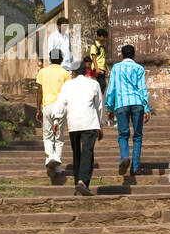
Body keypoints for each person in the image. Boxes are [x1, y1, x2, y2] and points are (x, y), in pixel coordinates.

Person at [55, 60, 104, 196]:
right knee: (87, 152)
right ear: (86, 71)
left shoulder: (68, 85)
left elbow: (61, 104)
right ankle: (82, 182)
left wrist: (56, 121)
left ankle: (78, 183)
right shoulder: (94, 84)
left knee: (76, 154)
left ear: (73, 72)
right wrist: (101, 125)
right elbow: (99, 106)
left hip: (74, 124)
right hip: (90, 123)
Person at [105, 43, 152, 179]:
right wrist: (147, 108)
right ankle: (135, 167)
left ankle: (124, 157)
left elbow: (112, 88)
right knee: (137, 136)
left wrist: (109, 107)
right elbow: (143, 89)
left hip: (121, 103)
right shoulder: (139, 68)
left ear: (122, 55)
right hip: (137, 103)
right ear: (134, 55)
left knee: (123, 135)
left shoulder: (116, 68)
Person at [34, 48, 71, 180]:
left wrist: (38, 109)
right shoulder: (65, 73)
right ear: (61, 59)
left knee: (48, 135)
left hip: (47, 107)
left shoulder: (43, 72)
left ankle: (50, 158)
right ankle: (57, 164)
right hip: (60, 108)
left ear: (50, 58)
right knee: (59, 137)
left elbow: (39, 91)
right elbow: (68, 94)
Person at [89, 28, 109, 93]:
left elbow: (104, 58)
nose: (105, 39)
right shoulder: (94, 46)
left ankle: (99, 99)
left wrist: (108, 69)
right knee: (100, 85)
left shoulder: (102, 47)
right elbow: (93, 58)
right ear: (99, 36)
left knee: (103, 85)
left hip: (102, 68)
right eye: (104, 37)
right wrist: (97, 69)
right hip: (97, 68)